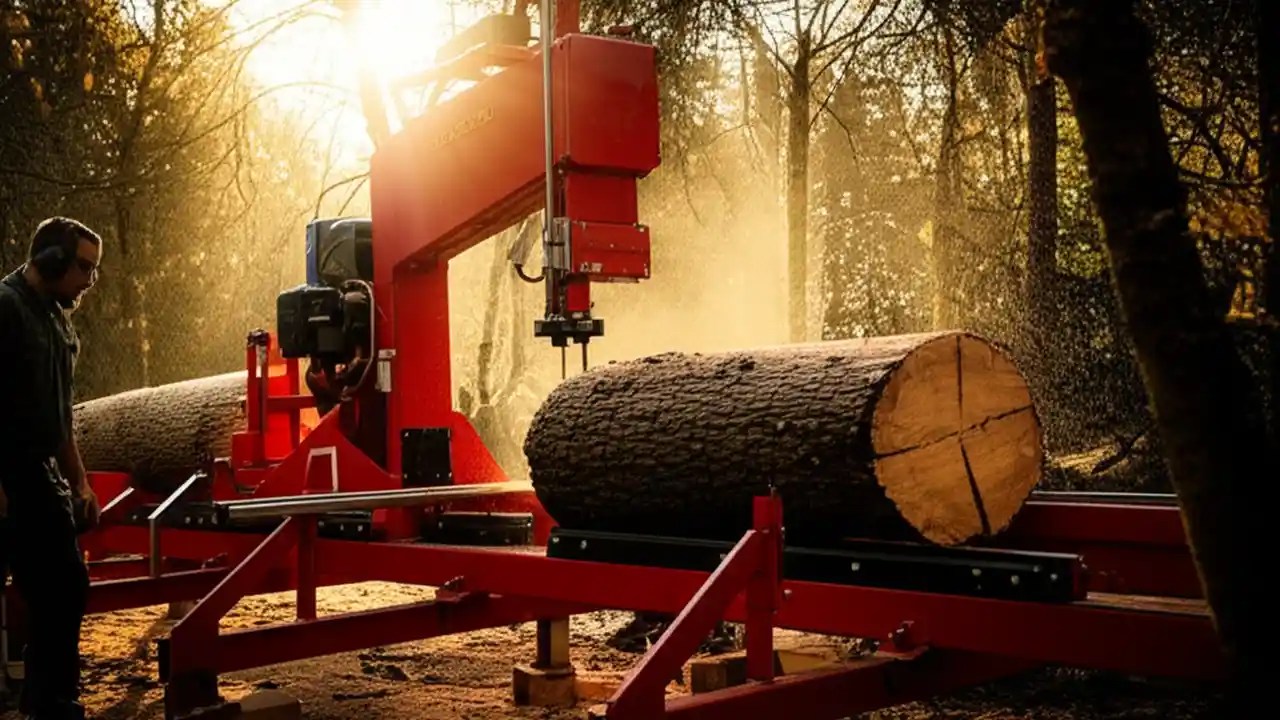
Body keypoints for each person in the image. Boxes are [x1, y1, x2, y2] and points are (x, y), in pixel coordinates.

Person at [0, 216, 103, 720]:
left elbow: (59, 416)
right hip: (7, 471)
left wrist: (79, 480)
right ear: (51, 260)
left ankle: (49, 700)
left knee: (65, 584)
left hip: (38, 470)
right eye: (83, 266)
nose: (88, 279)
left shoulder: (58, 319)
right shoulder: (6, 308)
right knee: (50, 585)